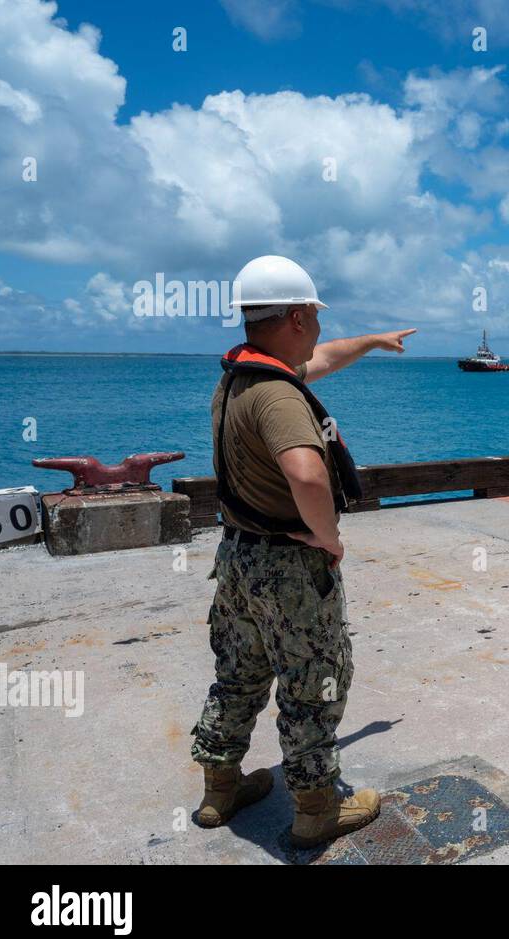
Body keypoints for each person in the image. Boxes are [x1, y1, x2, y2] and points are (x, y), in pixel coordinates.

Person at [189, 254, 416, 848]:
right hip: (287, 565)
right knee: (314, 679)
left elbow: (317, 360)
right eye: (314, 314)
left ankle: (220, 788)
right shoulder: (279, 397)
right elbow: (308, 476)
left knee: (238, 673)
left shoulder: (239, 378)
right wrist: (328, 537)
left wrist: (370, 341)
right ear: (294, 315)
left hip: (237, 556)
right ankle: (316, 808)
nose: (318, 326)